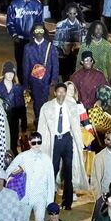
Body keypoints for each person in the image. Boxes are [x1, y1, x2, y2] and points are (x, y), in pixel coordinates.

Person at [36, 80, 88, 208]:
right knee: (52, 169)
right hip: (54, 141)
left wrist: (79, 142)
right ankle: (50, 200)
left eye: (63, 92)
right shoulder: (47, 107)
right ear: (55, 93)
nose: (61, 94)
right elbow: (41, 127)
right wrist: (40, 145)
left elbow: (75, 125)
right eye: (59, 92)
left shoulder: (71, 106)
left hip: (66, 139)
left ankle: (67, 201)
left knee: (68, 170)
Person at [8, 132, 57, 221]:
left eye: (39, 142)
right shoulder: (22, 156)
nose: (37, 145)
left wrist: (50, 202)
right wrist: (19, 170)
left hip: (40, 197)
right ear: (29, 143)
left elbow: (51, 181)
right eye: (34, 143)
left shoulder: (46, 159)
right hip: (26, 197)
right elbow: (8, 171)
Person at [22, 23, 59, 119]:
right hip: (33, 80)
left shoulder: (50, 46)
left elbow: (55, 63)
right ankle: (38, 119)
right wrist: (26, 84)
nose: (39, 33)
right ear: (33, 32)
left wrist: (54, 78)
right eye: (37, 31)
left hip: (46, 80)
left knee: (45, 100)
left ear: (44, 32)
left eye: (41, 31)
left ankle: (43, 119)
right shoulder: (28, 47)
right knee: (36, 101)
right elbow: (26, 65)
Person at [0, 61, 29, 149]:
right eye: (8, 72)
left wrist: (24, 129)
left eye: (12, 72)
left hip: (14, 123)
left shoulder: (18, 89)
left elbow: (22, 109)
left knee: (13, 146)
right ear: (4, 73)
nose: (10, 75)